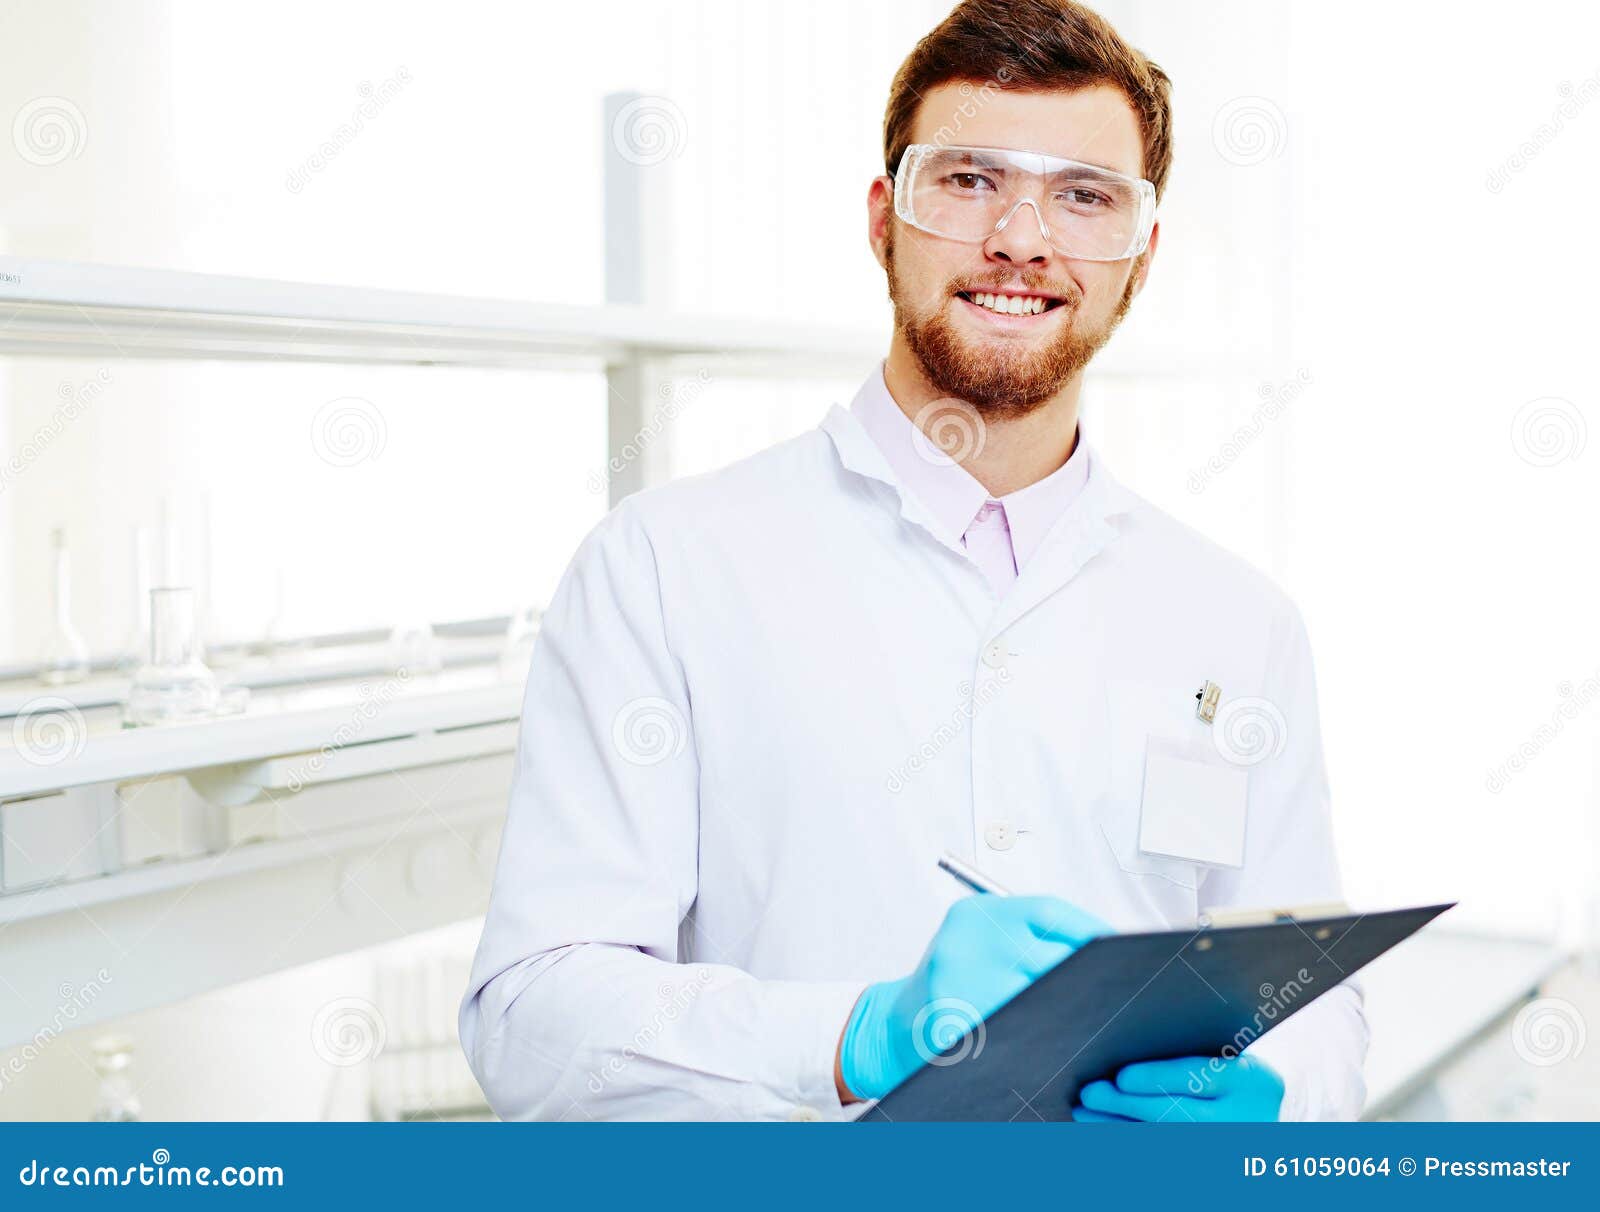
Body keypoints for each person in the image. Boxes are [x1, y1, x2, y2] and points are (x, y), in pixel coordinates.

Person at [460, 0, 1365, 1122]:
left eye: (1083, 197)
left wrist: (1277, 1107)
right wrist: (857, 1032)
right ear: (884, 218)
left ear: (1141, 257)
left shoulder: (1238, 622)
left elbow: (1308, 991)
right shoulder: (662, 569)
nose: (1022, 241)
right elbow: (530, 1022)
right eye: (970, 179)